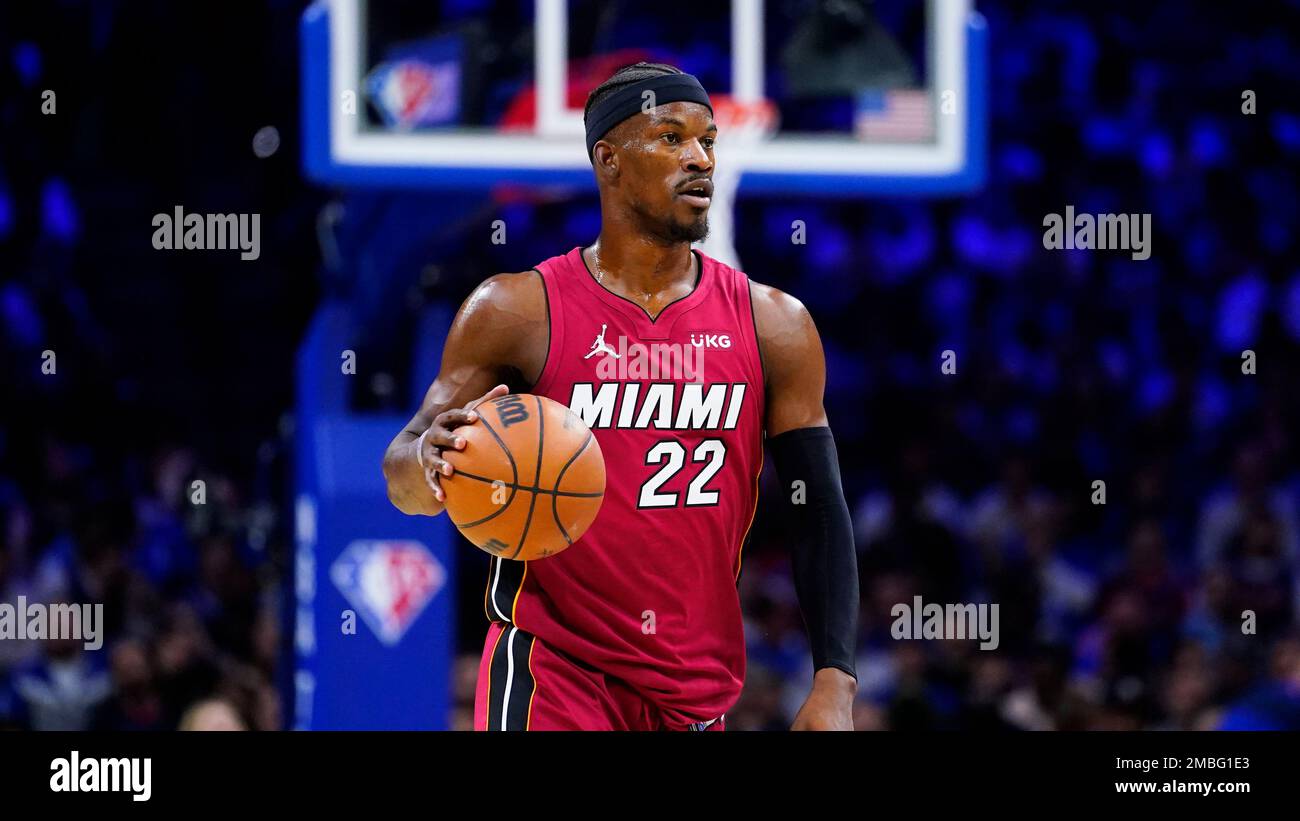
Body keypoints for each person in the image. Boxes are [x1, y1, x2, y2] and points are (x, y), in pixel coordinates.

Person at [383, 62, 858, 730]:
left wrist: (835, 678)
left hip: (693, 689)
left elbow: (820, 510)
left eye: (709, 142)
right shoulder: (519, 309)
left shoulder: (775, 324)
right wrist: (430, 460)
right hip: (555, 670)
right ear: (608, 158)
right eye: (670, 138)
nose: (698, 158)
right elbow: (403, 472)